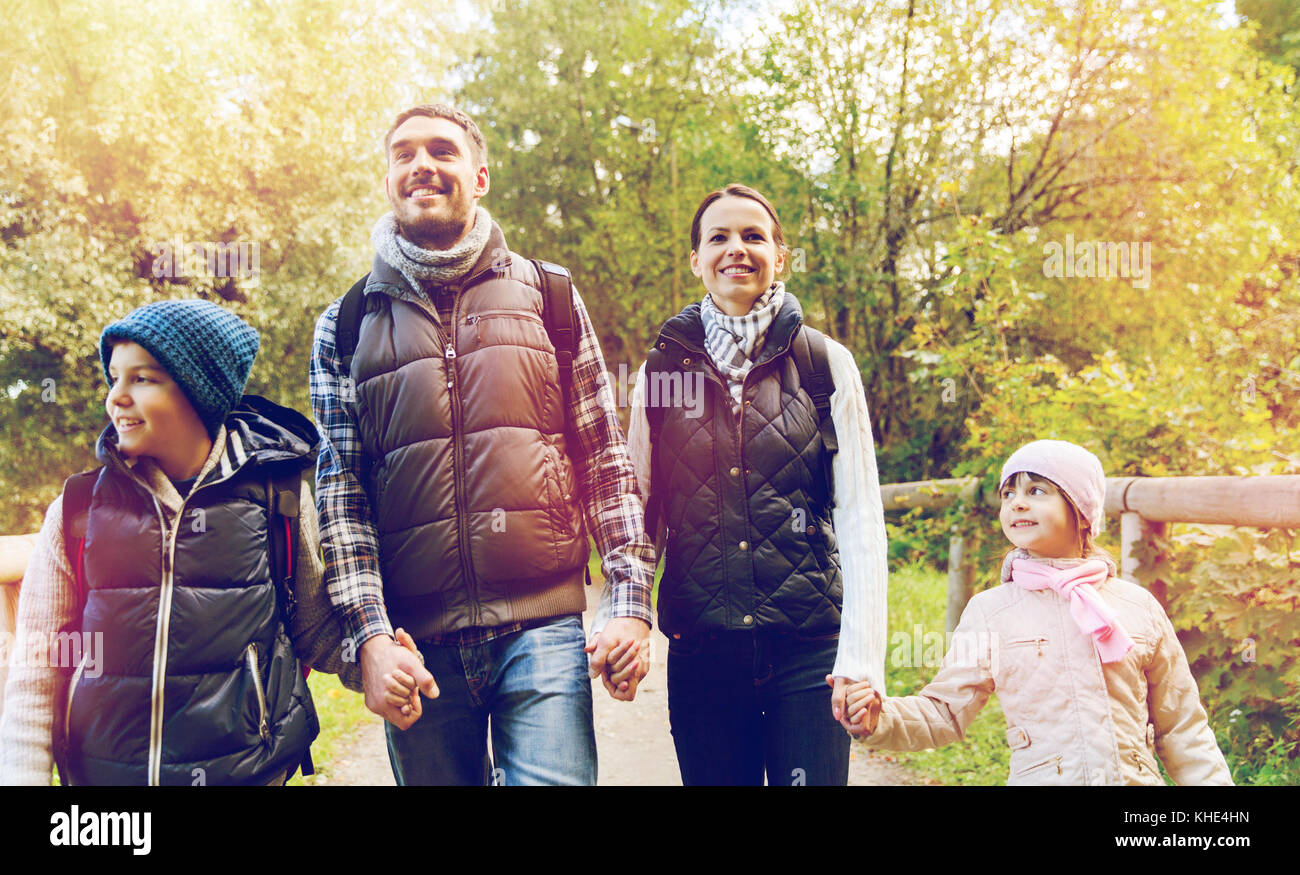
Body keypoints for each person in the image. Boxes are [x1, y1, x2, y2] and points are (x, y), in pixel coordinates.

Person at [309, 103, 656, 786]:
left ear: (481, 175)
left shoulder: (550, 295)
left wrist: (631, 602)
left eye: (442, 150)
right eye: (403, 154)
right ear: (387, 179)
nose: (422, 166)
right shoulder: (345, 324)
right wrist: (371, 639)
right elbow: (341, 497)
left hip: (544, 628)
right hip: (417, 642)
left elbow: (604, 460)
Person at [0, 299, 359, 785]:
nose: (116, 397)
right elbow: (40, 664)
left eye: (142, 378)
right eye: (115, 378)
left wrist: (379, 662)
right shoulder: (79, 508)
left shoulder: (282, 496)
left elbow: (316, 629)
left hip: (246, 772)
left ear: (199, 393)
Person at [619, 183, 890, 785]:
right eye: (718, 237)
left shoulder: (824, 364)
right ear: (696, 260)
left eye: (753, 236)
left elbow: (861, 518)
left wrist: (861, 661)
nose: (735, 249)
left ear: (780, 255)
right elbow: (639, 515)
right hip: (703, 655)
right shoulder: (663, 370)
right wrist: (629, 619)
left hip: (809, 654)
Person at [842, 439, 1233, 785]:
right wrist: (881, 717)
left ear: (1080, 510)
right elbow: (944, 712)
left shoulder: (1137, 606)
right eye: (1008, 493)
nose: (1018, 502)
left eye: (1037, 489)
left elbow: (1182, 726)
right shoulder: (992, 612)